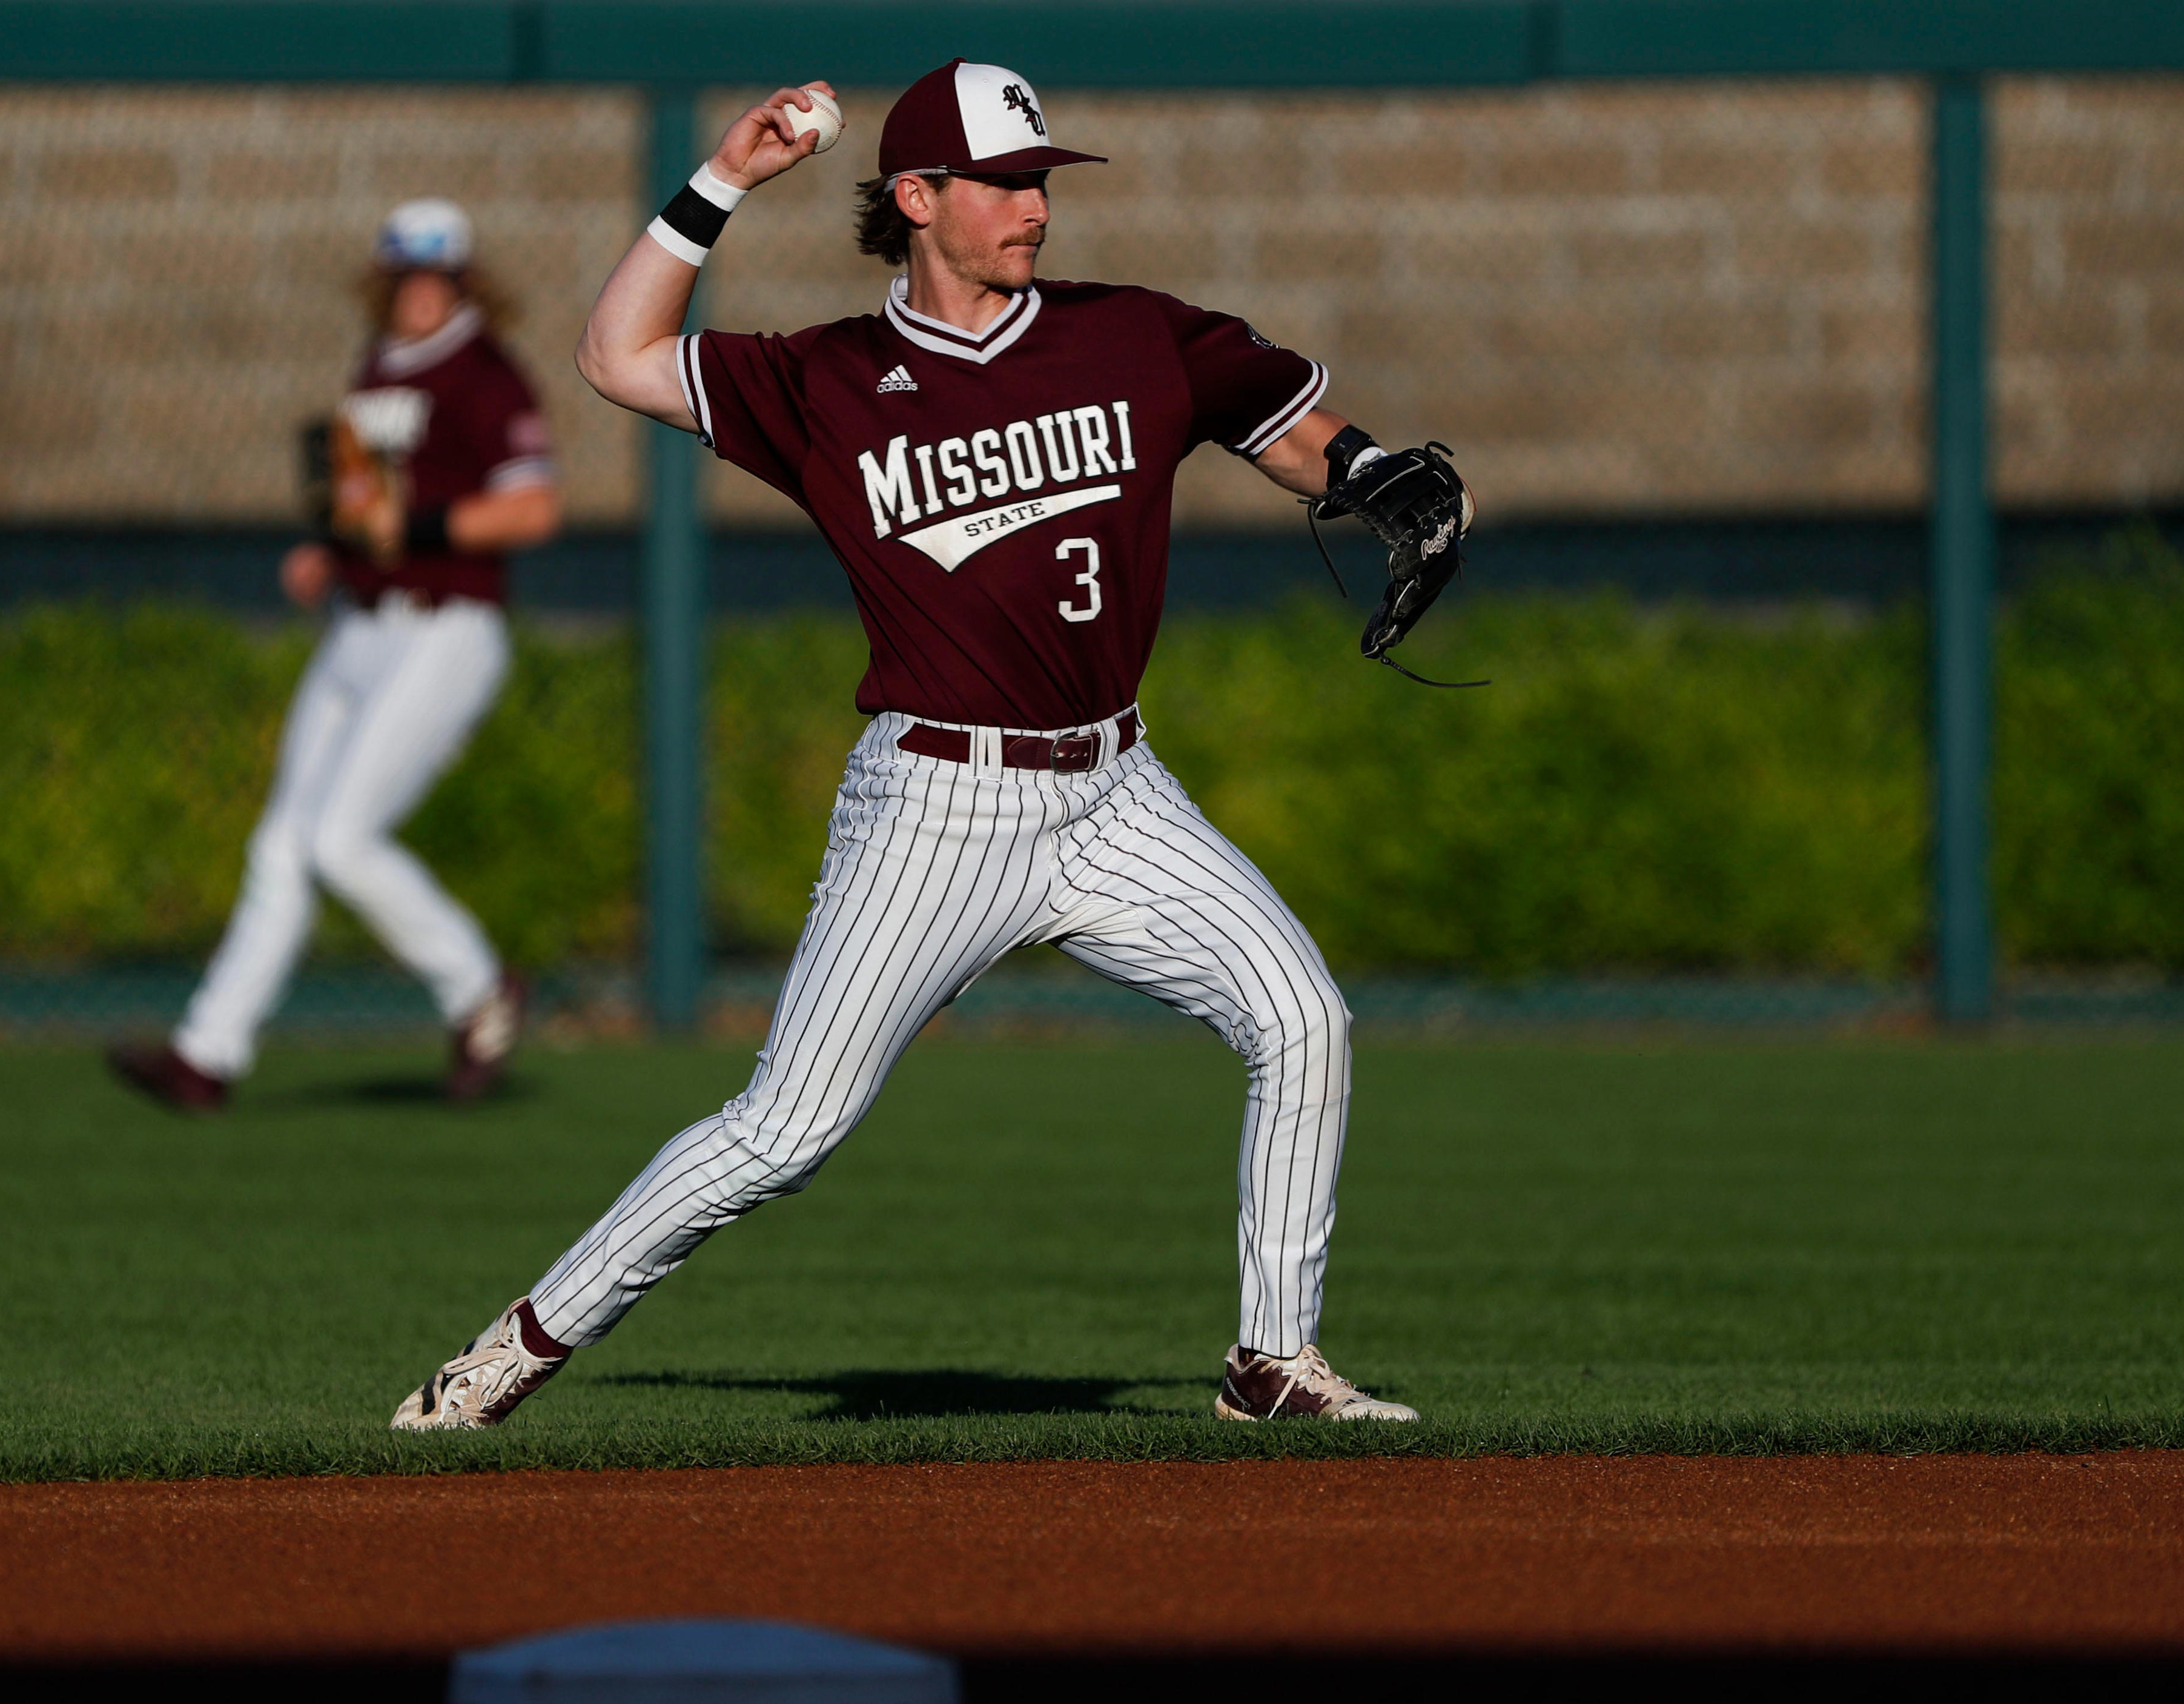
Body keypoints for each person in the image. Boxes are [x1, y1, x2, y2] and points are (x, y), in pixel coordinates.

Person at [393, 61, 1471, 1428]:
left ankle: (1272, 1363)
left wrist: (1367, 470)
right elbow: (616, 358)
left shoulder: (1134, 335)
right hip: (935, 807)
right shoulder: (827, 378)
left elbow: (1289, 429)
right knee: (783, 1134)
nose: (1035, 206)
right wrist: (724, 178)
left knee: (1302, 1018)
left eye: (1041, 181)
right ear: (917, 196)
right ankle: (515, 1347)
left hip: (1115, 790)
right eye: (1004, 183)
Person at [110, 199, 561, 1111]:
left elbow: (532, 509)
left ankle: (479, 988)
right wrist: (333, 551)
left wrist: (414, 529)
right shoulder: (377, 363)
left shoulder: (486, 374)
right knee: (282, 844)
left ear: (465, 281)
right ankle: (206, 1056)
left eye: (438, 277)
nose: (421, 292)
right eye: (407, 276)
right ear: (383, 279)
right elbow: (365, 506)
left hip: (445, 627)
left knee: (339, 840)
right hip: (363, 624)